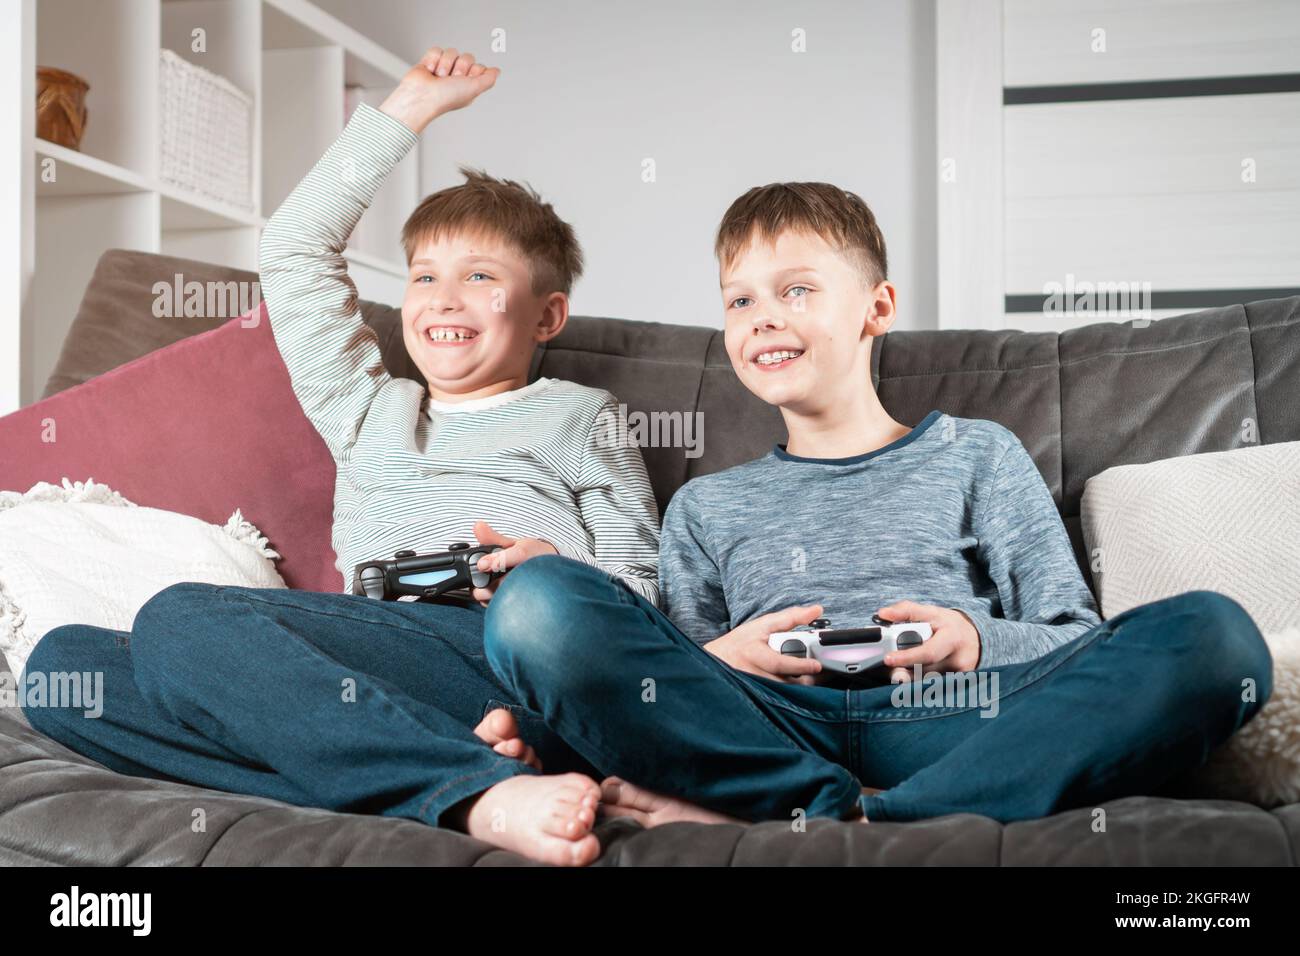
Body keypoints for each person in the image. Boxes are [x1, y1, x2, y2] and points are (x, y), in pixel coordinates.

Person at [21, 45, 659, 867]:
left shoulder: (582, 416)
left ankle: (454, 784)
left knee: (184, 617)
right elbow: (293, 250)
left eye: (480, 276)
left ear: (547, 316)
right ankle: (460, 776)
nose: (444, 300)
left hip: (506, 655)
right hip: (363, 652)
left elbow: (646, 595)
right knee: (59, 669)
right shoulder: (366, 406)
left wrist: (556, 575)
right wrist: (408, 113)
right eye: (425, 277)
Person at [481, 180, 1275, 827]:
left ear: (877, 308)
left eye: (796, 290)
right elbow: (674, 690)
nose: (764, 318)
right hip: (770, 726)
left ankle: (871, 817)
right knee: (536, 605)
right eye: (740, 301)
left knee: (1215, 636)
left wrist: (967, 638)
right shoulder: (704, 505)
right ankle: (820, 803)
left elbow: (1073, 639)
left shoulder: (978, 454)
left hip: (960, 718)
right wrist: (731, 657)